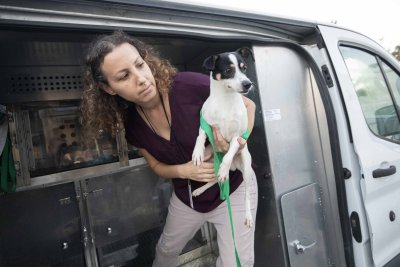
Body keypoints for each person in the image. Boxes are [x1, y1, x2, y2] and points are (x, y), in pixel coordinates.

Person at [80, 30, 258, 267]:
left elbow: (248, 105)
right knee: (164, 253)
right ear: (109, 88)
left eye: (139, 65)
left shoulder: (188, 85)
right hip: (188, 198)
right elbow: (156, 166)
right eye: (124, 76)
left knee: (237, 263)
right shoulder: (131, 124)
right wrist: (185, 171)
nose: (141, 78)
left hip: (232, 189)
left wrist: (237, 143)